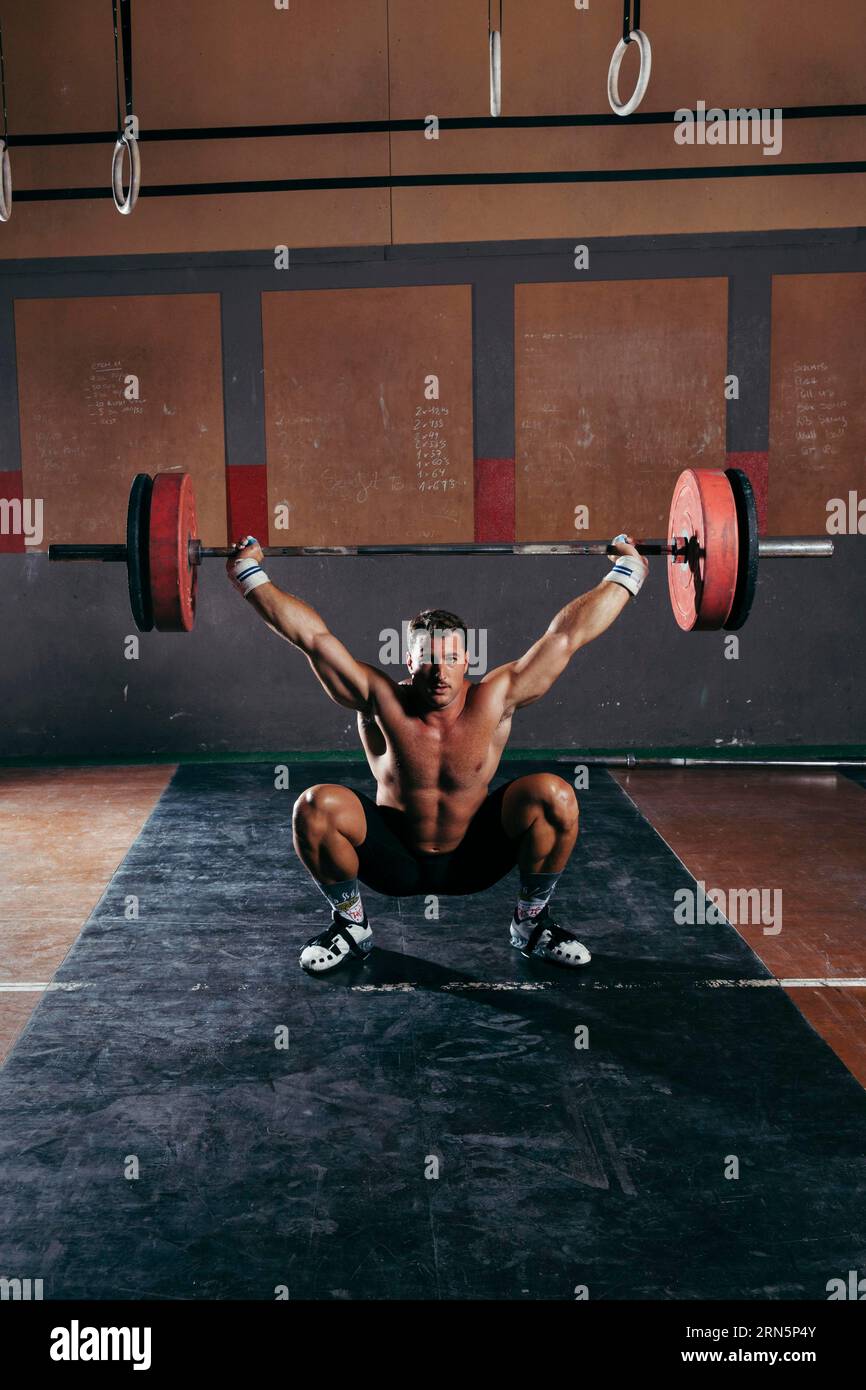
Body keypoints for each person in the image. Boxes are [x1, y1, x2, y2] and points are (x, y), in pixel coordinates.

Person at [227, 535, 647, 973]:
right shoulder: (380, 699)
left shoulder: (495, 698)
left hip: (472, 859)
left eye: (451, 657)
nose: (440, 670)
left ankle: (531, 922)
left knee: (555, 796)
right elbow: (312, 638)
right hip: (393, 859)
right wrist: (248, 572)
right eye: (428, 658)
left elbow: (566, 636)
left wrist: (629, 571)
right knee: (314, 806)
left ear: (468, 659)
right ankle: (351, 926)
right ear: (409, 661)